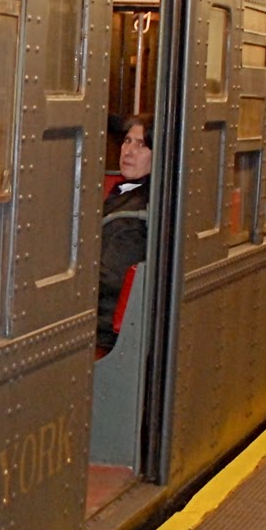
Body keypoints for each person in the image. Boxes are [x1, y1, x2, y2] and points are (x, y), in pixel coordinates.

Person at [97, 115, 152, 354]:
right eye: (127, 141)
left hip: (102, 328)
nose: (129, 151)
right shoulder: (127, 192)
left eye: (141, 145)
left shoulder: (135, 213)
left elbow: (109, 278)